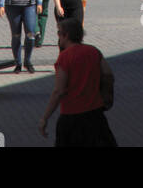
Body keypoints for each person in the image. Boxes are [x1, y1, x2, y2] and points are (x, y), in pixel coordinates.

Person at [38, 17, 117, 147]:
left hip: (72, 116)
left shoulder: (64, 57)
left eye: (59, 33)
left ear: (66, 35)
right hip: (95, 114)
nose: (58, 37)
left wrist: (45, 118)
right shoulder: (93, 51)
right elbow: (108, 74)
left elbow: (59, 91)